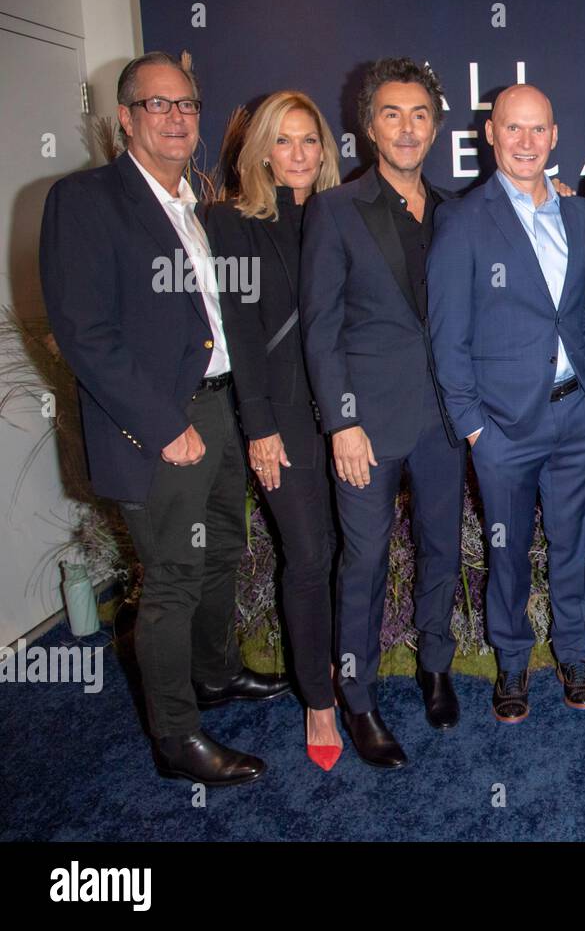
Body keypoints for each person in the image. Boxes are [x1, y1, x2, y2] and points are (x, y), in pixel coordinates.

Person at [39, 51, 289, 787]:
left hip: (218, 413)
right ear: (125, 119)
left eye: (187, 105)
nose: (177, 118)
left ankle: (213, 675)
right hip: (159, 428)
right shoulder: (83, 201)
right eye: (159, 105)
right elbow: (84, 332)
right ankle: (176, 739)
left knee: (219, 556)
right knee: (174, 578)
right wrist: (159, 424)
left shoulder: (197, 204)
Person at [299, 57, 464, 768]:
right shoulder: (336, 210)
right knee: (363, 561)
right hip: (365, 424)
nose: (407, 127)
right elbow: (320, 327)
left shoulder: (457, 209)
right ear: (368, 127)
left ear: (435, 126)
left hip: (444, 422)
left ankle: (435, 667)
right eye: (392, 114)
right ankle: (357, 698)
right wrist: (340, 422)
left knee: (441, 548)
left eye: (420, 114)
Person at [428, 84, 585, 723]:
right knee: (506, 550)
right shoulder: (463, 219)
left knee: (573, 544)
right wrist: (475, 428)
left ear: (555, 137)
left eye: (538, 130)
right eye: (513, 129)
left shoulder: (583, 215)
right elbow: (447, 336)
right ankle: (510, 663)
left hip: (580, 416)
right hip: (502, 427)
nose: (526, 142)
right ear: (490, 135)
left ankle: (575, 654)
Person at [205, 90, 344, 771]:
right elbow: (241, 333)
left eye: (309, 140)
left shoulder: (337, 213)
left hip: (346, 416)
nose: (298, 153)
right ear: (261, 149)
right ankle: (318, 698)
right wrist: (259, 428)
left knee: (350, 549)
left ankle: (347, 670)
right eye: (284, 141)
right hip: (282, 422)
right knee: (309, 554)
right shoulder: (232, 224)